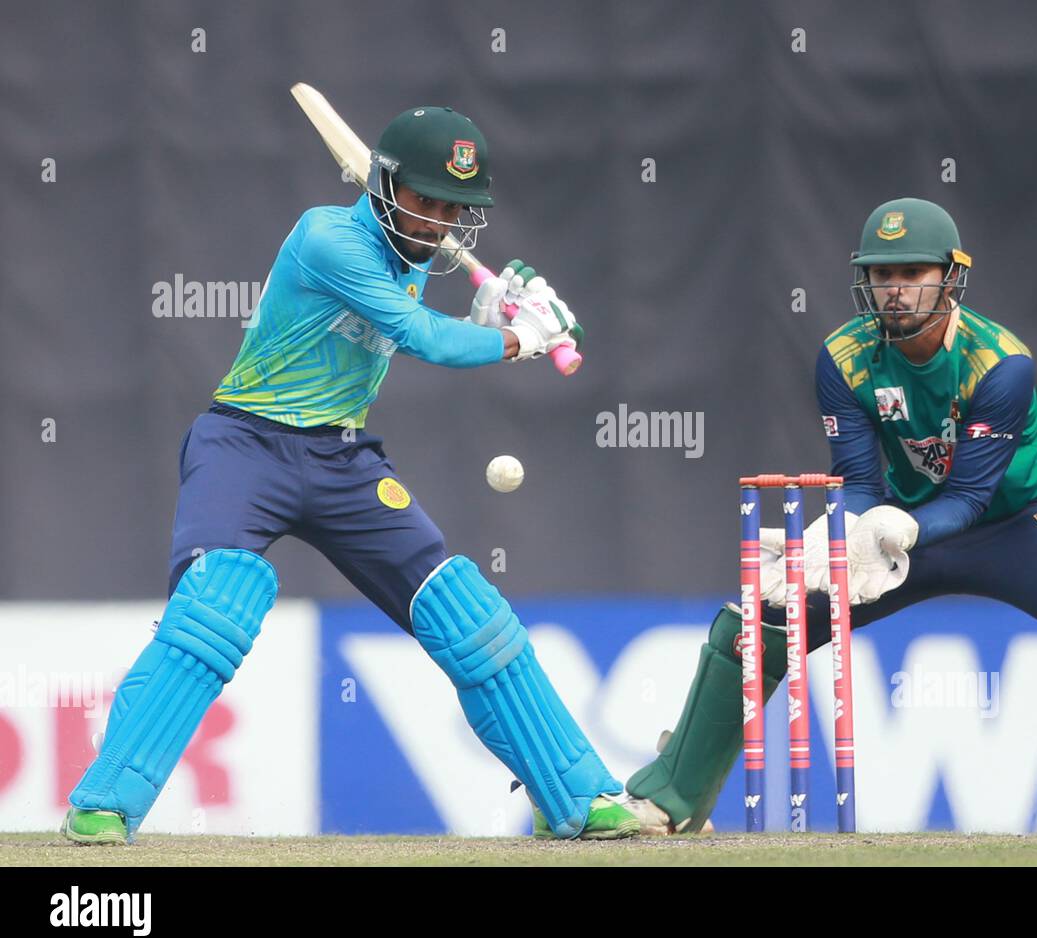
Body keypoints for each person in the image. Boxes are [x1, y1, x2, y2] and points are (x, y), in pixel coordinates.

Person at [62, 104, 637, 843]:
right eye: (424, 202)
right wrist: (520, 336)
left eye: (451, 209)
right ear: (383, 186)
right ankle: (104, 801)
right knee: (216, 610)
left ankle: (580, 797)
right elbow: (422, 338)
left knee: (467, 616)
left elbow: (431, 318)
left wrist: (490, 312)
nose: (435, 223)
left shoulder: (417, 252)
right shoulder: (325, 237)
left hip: (342, 460)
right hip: (245, 444)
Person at [623, 197, 1037, 836]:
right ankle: (674, 799)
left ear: (949, 275)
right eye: (882, 276)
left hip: (1019, 524)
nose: (895, 290)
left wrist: (898, 528)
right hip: (904, 522)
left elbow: (971, 499)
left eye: (912, 273)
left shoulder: (1000, 363)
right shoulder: (844, 357)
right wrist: (822, 540)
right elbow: (859, 482)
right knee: (765, 618)